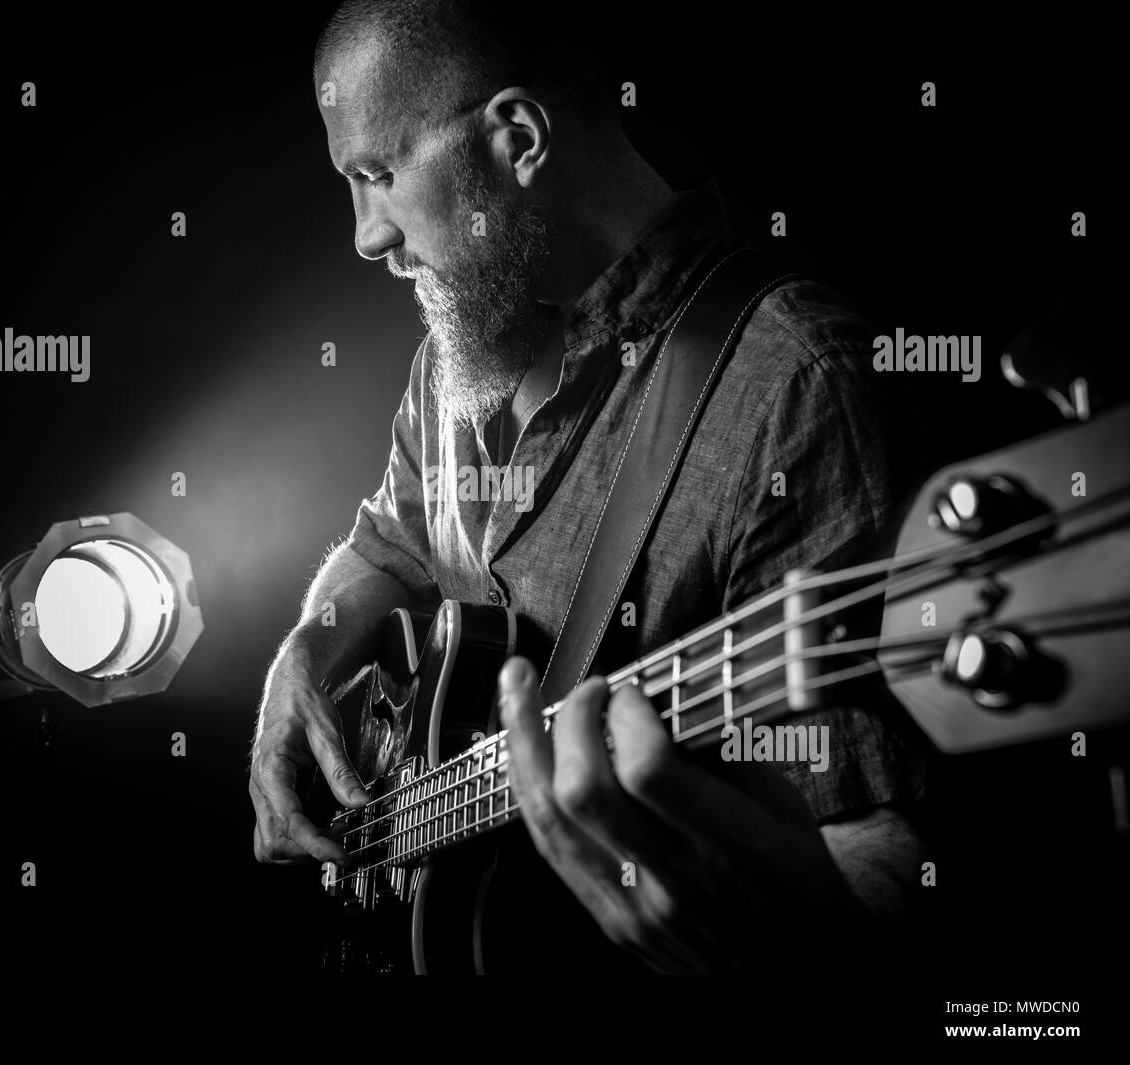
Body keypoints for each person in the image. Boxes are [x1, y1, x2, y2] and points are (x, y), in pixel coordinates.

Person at [250, 0, 925, 972]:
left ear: (517, 138)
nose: (364, 235)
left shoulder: (792, 383)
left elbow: (879, 856)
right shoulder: (456, 357)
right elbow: (388, 546)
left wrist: (749, 939)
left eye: (377, 175)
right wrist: (304, 654)